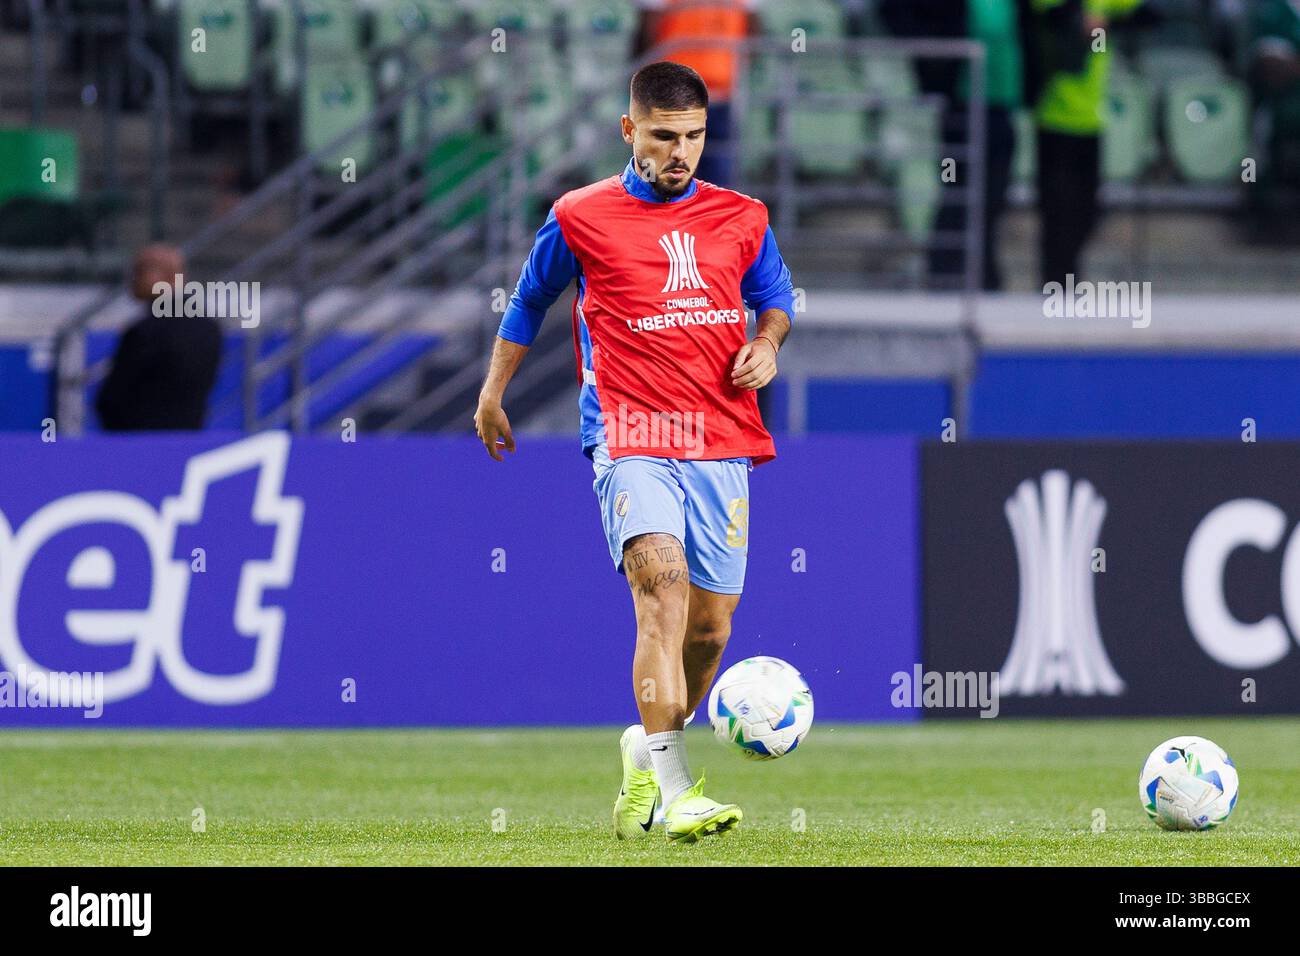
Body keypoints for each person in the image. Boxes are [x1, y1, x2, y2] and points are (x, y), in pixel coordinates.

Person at [473, 61, 795, 844]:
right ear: (630, 131)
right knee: (663, 595)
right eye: (662, 136)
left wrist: (767, 343)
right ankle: (680, 788)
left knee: (711, 630)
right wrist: (491, 392)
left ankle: (646, 747)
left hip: (720, 437)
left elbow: (776, 299)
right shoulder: (581, 215)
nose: (679, 152)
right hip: (632, 435)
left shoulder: (743, 216)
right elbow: (530, 298)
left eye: (692, 137)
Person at [881, 0, 1024, 290]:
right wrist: (933, 56)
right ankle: (945, 274)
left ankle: (982, 275)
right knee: (958, 190)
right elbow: (893, 11)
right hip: (961, 102)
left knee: (994, 195)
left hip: (1003, 104)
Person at [1024, 0, 1144, 286]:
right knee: (1055, 211)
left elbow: (1148, 14)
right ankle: (1054, 283)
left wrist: (1106, 22)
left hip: (1091, 122)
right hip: (1053, 119)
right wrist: (1082, 19)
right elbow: (1049, 13)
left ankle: (1069, 276)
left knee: (1088, 210)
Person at [95, 244, 223, 431]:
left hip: (139, 441)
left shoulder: (146, 332)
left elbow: (113, 398)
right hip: (189, 438)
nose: (132, 279)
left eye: (139, 271)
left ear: (166, 276)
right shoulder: (209, 328)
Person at [633, 0, 761, 187]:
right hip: (719, 88)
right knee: (716, 172)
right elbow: (754, 34)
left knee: (667, 173)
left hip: (673, 92)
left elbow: (647, 32)